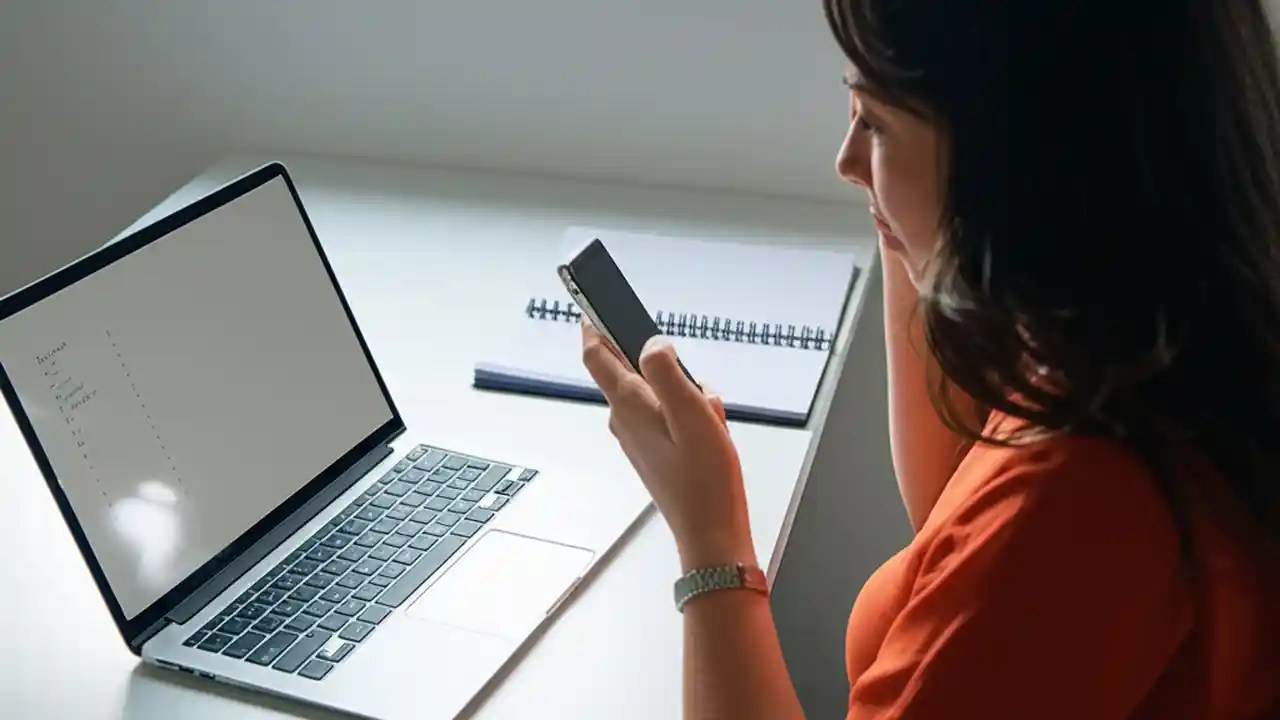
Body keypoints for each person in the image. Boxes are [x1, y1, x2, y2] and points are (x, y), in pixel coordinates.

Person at [579, 1, 1280, 718]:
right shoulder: (1142, 337)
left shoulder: (1084, 489)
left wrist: (710, 538)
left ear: (1010, 152)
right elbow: (951, 504)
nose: (846, 162)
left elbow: (1010, 535)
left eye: (875, 123)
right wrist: (906, 212)